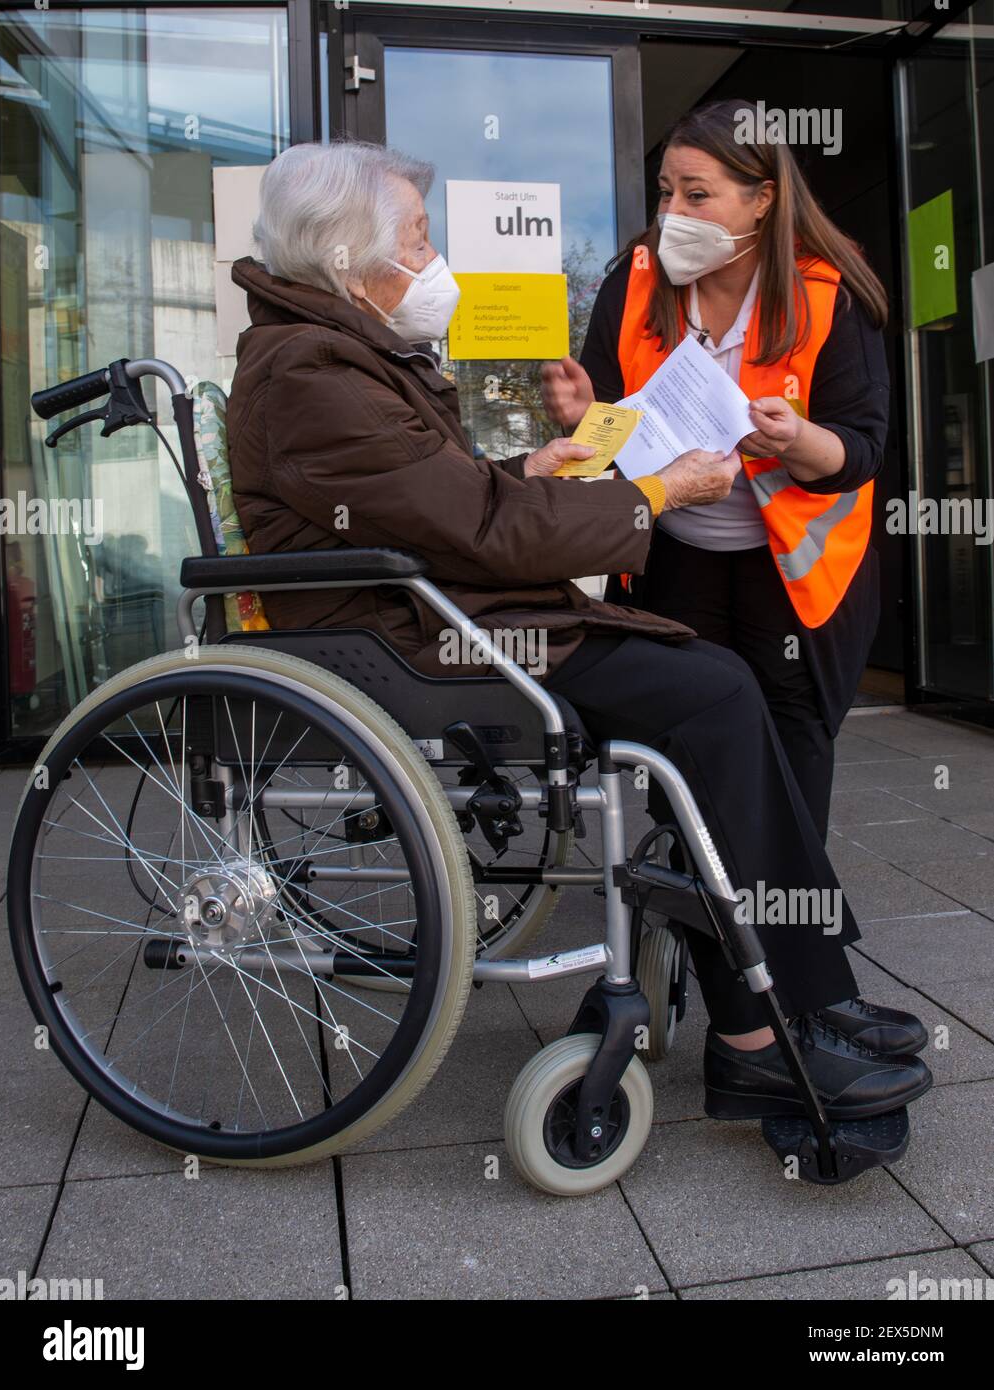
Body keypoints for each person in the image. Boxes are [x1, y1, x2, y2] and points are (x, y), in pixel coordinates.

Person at [226, 138, 930, 1124]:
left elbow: (444, 506)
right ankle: (761, 1032)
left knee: (716, 693)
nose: (435, 259)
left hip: (438, 621)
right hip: (420, 646)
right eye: (418, 238)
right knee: (715, 695)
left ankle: (800, 995)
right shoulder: (315, 373)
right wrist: (655, 489)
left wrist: (528, 472)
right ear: (351, 260)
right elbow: (477, 530)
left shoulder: (334, 351)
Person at [542, 98, 889, 847]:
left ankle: (780, 911)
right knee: (685, 727)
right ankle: (694, 895)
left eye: (696, 194)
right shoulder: (633, 281)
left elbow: (859, 452)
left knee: (789, 729)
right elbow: (608, 435)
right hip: (675, 552)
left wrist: (797, 439)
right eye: (666, 191)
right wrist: (581, 420)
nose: (673, 211)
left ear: (762, 199)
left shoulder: (828, 291)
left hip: (796, 571)